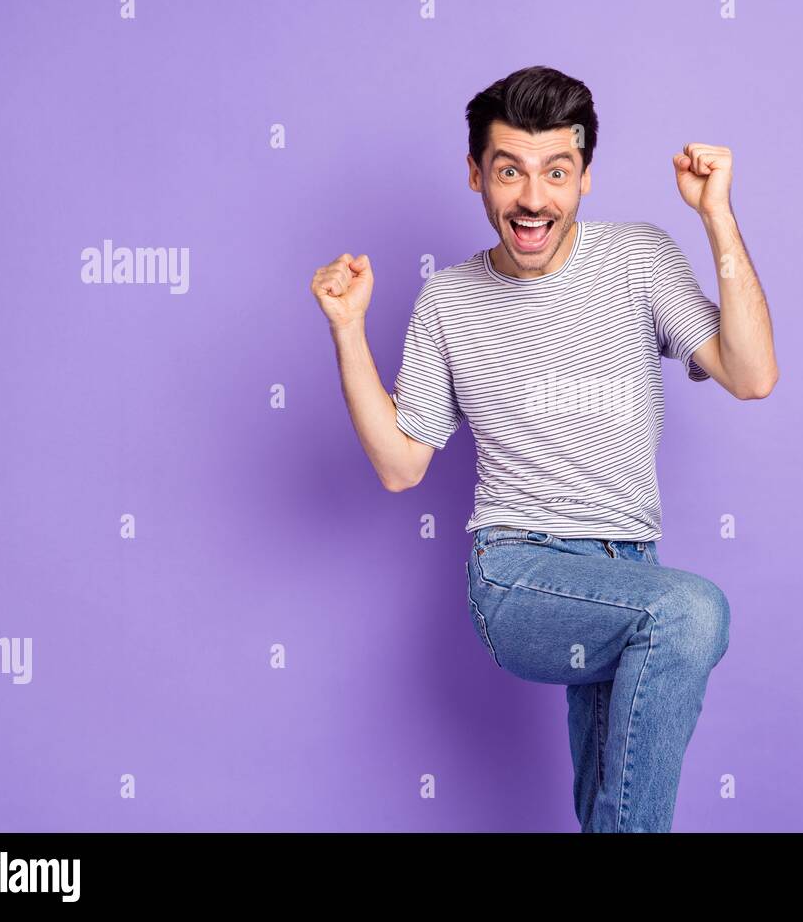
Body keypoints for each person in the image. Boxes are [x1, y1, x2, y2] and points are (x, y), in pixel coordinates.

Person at [310, 66, 778, 832]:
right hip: (518, 573)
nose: (533, 199)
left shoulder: (639, 258)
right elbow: (401, 466)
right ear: (477, 176)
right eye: (510, 172)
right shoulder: (449, 301)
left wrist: (717, 216)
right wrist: (347, 329)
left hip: (630, 574)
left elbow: (753, 375)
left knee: (612, 788)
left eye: (556, 172)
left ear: (585, 178)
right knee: (691, 615)